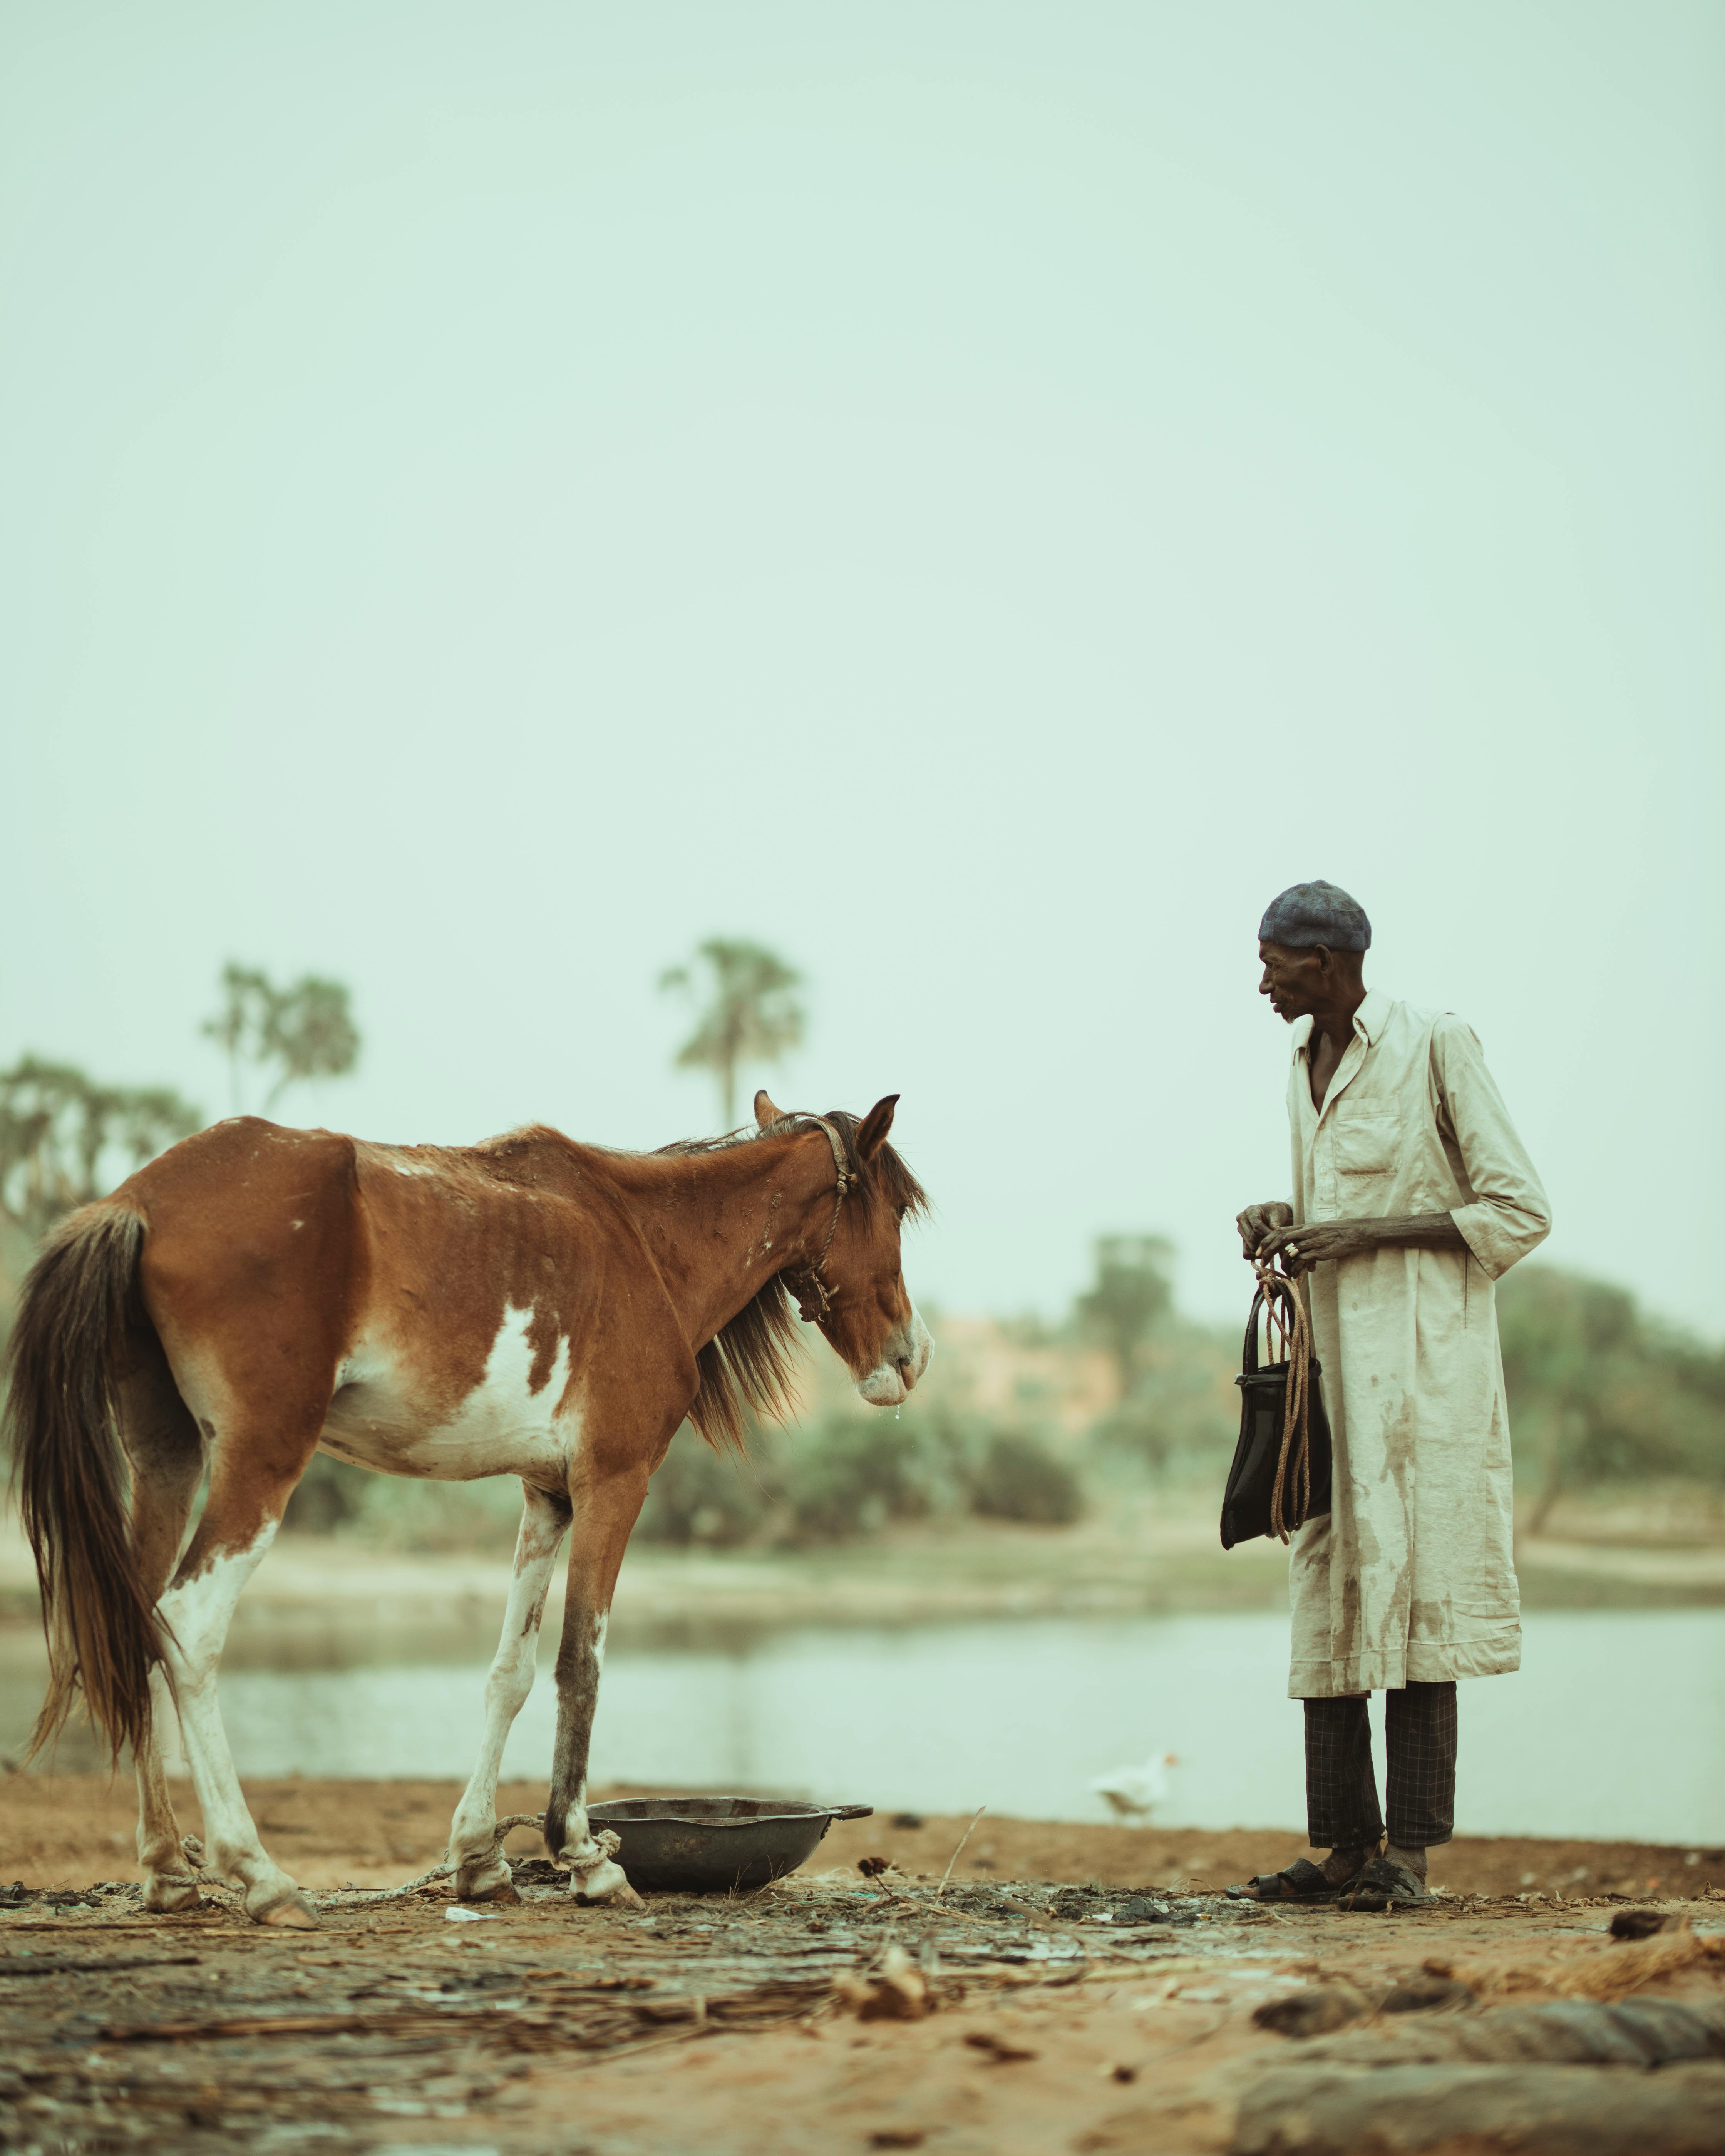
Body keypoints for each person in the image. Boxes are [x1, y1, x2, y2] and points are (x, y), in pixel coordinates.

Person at [1228, 880, 1550, 1907]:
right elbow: (1330, 1207)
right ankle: (1345, 1853)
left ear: (1325, 961)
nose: (1263, 981)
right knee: (1327, 1599)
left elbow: (1518, 1207)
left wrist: (1367, 1231)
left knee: (1415, 1612)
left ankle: (1409, 1857)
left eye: (1275, 962)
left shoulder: (1435, 1044)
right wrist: (1285, 1215)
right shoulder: (1298, 1066)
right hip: (1331, 1381)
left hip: (1420, 1387)